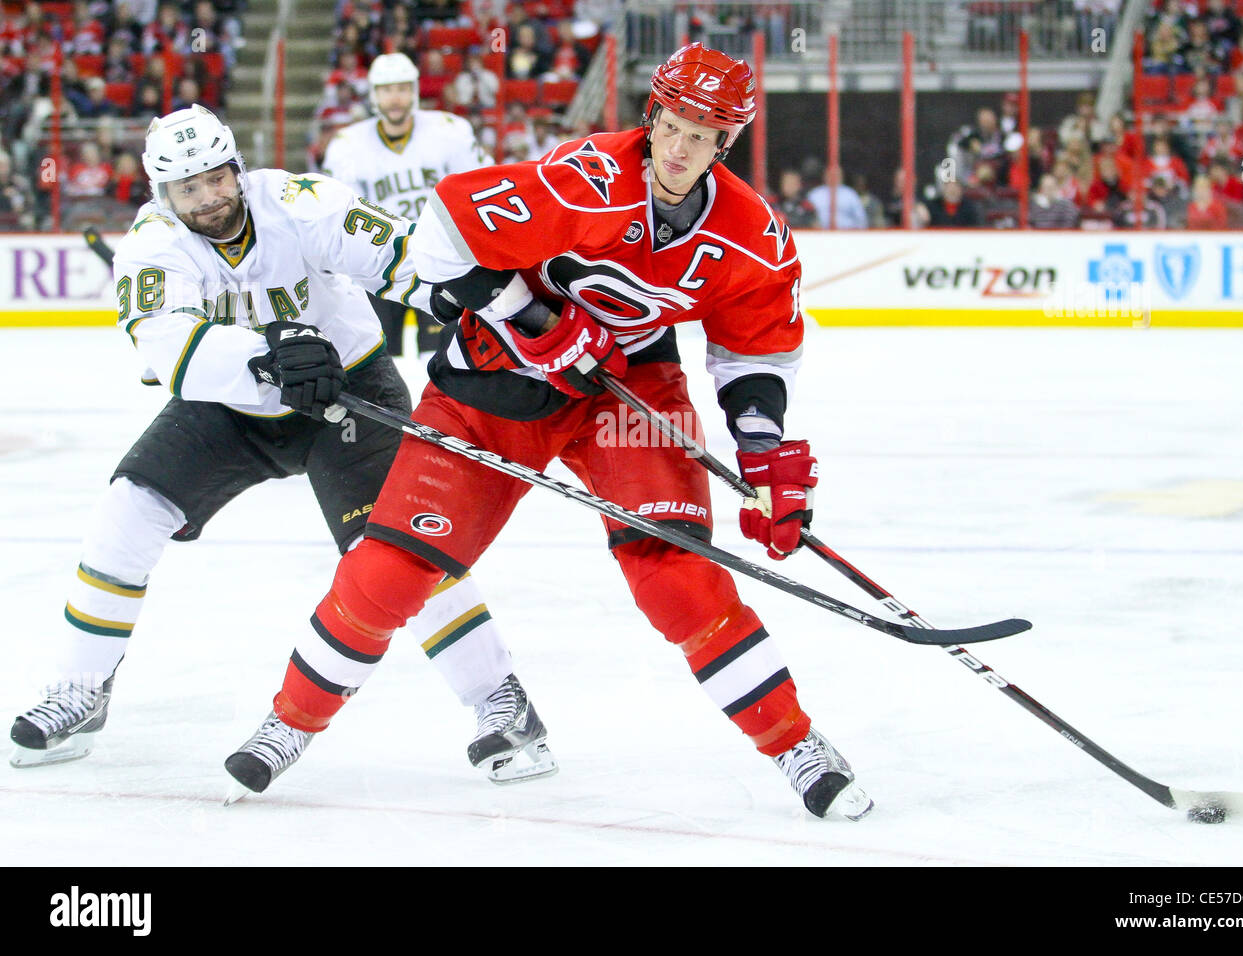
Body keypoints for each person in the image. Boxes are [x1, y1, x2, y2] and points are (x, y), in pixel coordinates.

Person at [224, 44, 874, 821]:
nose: (678, 148)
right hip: (498, 375)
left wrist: (765, 456)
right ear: (653, 116)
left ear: (726, 144)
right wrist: (534, 319)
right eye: (672, 125)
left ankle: (795, 744)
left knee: (678, 576)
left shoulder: (750, 234)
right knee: (391, 570)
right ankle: (287, 723)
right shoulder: (585, 178)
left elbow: (756, 350)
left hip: (625, 387)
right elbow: (438, 237)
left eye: (702, 136)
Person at [9, 106, 556, 788]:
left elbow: (397, 256)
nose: (207, 198)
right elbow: (167, 345)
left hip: (349, 390)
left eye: (216, 178)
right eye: (187, 189)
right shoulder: (151, 246)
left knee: (397, 550)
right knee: (130, 506)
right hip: (236, 404)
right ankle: (82, 690)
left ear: (237, 168)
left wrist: (472, 304)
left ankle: (502, 704)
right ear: (162, 195)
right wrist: (267, 350)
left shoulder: (299, 202)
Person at [323, 52, 491, 356]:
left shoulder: (450, 130)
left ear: (414, 90)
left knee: (446, 357)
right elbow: (339, 219)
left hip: (443, 262)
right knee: (382, 358)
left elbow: (480, 191)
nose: (395, 98)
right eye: (386, 90)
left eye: (401, 88)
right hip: (380, 265)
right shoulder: (347, 145)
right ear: (374, 94)